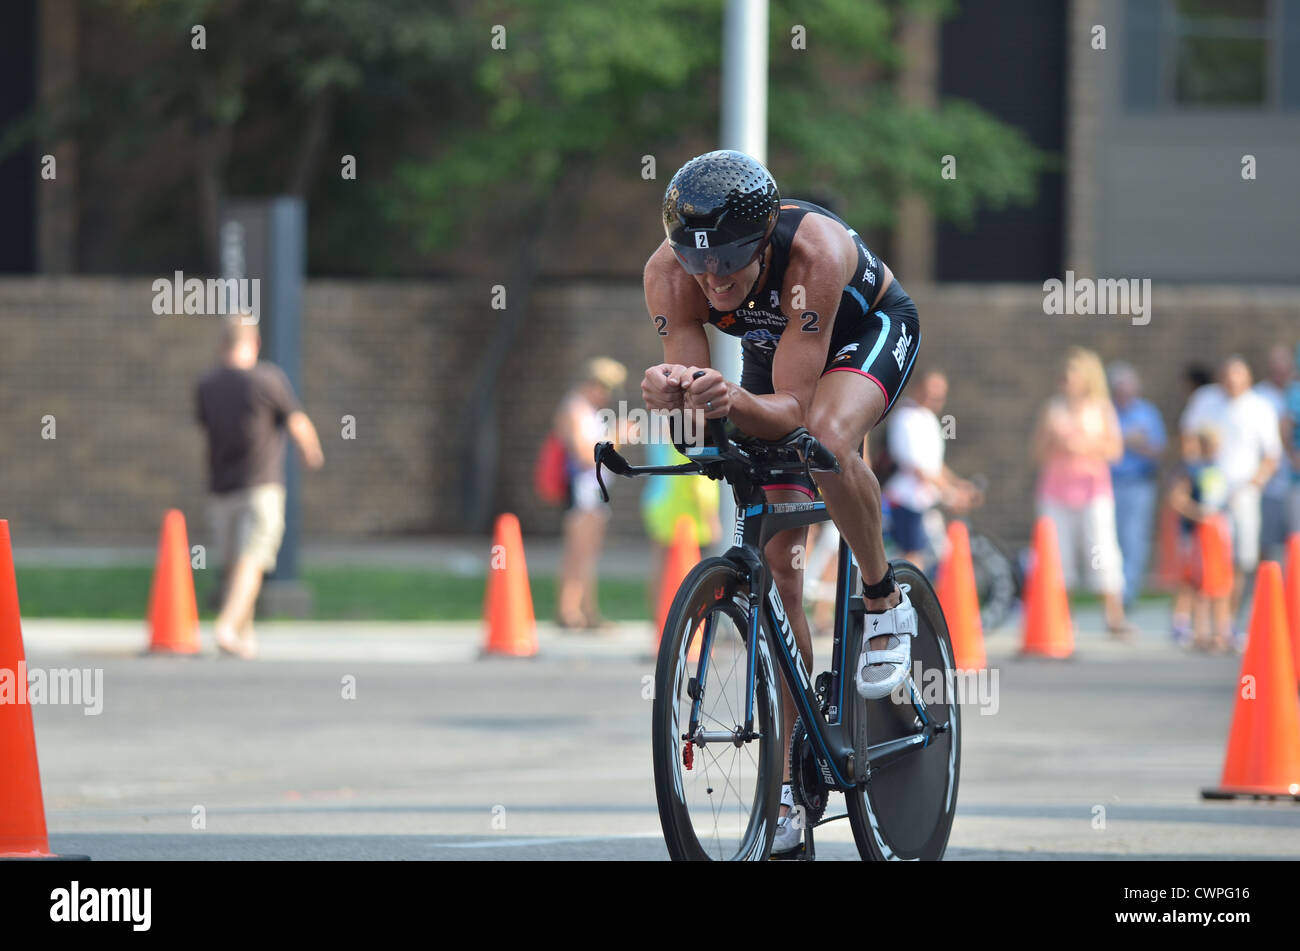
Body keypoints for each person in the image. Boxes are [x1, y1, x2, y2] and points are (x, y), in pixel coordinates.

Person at [641, 150, 920, 855]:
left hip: (865, 331)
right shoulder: (670, 275)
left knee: (826, 439)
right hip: (781, 350)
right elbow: (698, 423)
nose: (715, 279)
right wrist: (676, 406)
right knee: (781, 570)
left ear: (764, 239)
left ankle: (887, 600)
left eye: (732, 260)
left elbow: (794, 409)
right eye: (701, 264)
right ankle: (791, 788)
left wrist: (731, 398)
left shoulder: (815, 251)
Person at [195, 318, 324, 659]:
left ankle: (242, 637)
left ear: (222, 344)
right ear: (255, 342)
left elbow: (206, 426)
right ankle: (226, 626)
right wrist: (311, 451)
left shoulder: (207, 385)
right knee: (251, 562)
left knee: (235, 565)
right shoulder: (268, 379)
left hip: (221, 488)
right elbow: (297, 421)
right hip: (261, 486)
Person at [1031, 347, 1131, 636]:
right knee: (1058, 555)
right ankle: (1063, 617)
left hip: (1093, 492)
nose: (1067, 381)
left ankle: (1114, 616)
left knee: (1102, 549)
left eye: (1072, 375)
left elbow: (1115, 451)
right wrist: (1055, 442)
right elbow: (1036, 451)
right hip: (1056, 492)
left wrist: (1086, 446)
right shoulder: (1053, 409)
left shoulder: (1101, 409)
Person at [1180, 355, 1281, 626]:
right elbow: (1188, 438)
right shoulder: (1205, 400)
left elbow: (1271, 455)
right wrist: (1196, 474)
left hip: (1243, 492)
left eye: (1238, 376)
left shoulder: (1260, 407)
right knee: (1206, 560)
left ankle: (1230, 623)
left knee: (1241, 558)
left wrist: (1254, 483)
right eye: (1228, 376)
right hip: (1210, 491)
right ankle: (1201, 624)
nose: (1232, 382)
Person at [553, 357, 628, 630]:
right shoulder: (574, 409)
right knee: (578, 552)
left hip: (593, 490)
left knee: (588, 553)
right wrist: (617, 437)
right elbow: (586, 456)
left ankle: (585, 610)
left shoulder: (587, 410)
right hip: (580, 488)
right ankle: (569, 611)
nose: (607, 396)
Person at [883, 369, 982, 570]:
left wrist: (959, 484)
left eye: (940, 395)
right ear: (918, 389)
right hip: (905, 500)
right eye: (932, 393)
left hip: (924, 501)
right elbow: (918, 468)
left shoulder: (929, 418)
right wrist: (951, 494)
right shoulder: (905, 418)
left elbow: (935, 464)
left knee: (935, 553)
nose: (936, 400)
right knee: (912, 556)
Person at [1107, 361, 1167, 611]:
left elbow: (1157, 449)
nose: (1125, 393)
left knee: (1134, 539)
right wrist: (1126, 440)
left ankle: (1127, 593)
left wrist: (1125, 443)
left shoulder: (1147, 413)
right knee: (1108, 540)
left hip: (1139, 484)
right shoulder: (1104, 412)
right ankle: (1107, 588)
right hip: (1108, 484)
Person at [641, 440, 722, 622]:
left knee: (661, 572)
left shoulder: (663, 433)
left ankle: (660, 624)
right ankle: (686, 625)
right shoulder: (690, 438)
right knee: (690, 575)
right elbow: (701, 484)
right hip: (685, 516)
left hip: (659, 503)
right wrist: (711, 517)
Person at [1168, 428, 1232, 651]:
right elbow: (1177, 499)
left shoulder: (1219, 469)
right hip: (1196, 535)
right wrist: (1199, 514)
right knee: (1198, 583)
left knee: (1221, 583)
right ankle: (1197, 630)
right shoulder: (1191, 470)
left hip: (1218, 534)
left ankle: (1222, 630)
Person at [1253, 344, 1296, 562]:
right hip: (1270, 483)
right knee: (1268, 542)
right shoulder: (1259, 396)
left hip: (1294, 482)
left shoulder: (1295, 393)